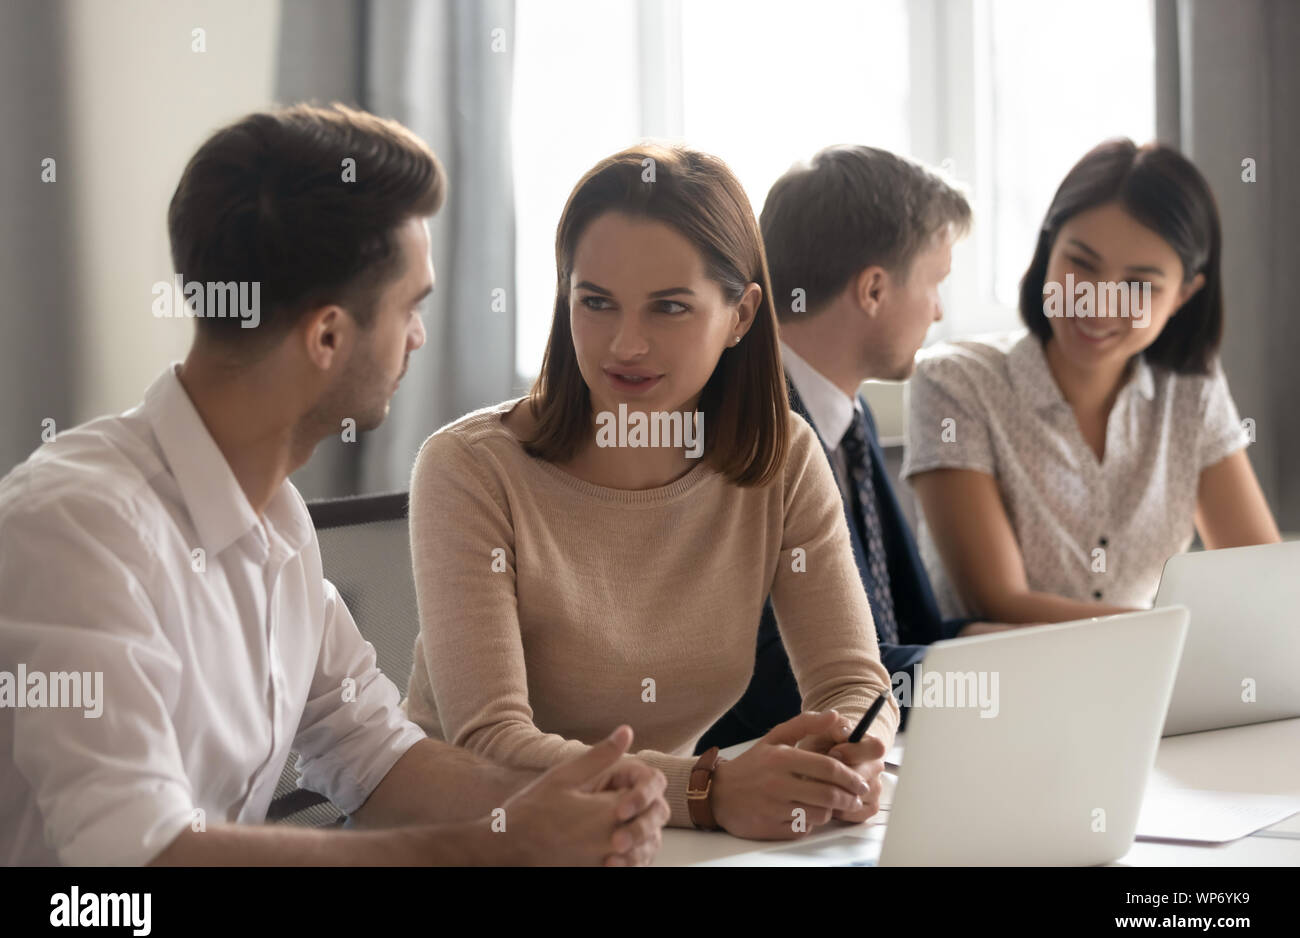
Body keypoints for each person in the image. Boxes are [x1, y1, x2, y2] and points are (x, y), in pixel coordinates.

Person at [0, 103, 667, 867]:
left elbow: (377, 755)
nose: (419, 336)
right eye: (411, 308)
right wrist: (494, 850)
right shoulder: (77, 529)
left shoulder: (276, 515)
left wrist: (568, 805)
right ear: (326, 337)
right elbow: (138, 863)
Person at [403, 143, 898, 840]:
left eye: (668, 308)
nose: (624, 345)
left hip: (653, 841)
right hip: (474, 838)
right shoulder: (470, 469)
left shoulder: (783, 458)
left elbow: (855, 680)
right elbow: (490, 739)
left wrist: (843, 753)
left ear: (742, 316)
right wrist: (705, 789)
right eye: (596, 303)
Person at [698, 145, 1009, 750]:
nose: (940, 311)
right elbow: (786, 677)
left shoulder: (847, 415)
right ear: (872, 290)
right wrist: (1007, 678)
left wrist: (1029, 652)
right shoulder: (748, 431)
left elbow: (906, 629)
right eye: (935, 283)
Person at [903, 139, 1280, 623]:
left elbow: (1260, 580)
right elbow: (997, 602)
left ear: (1184, 295)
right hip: (1006, 685)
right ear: (1047, 250)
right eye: (1080, 264)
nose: (1098, 303)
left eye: (1138, 285)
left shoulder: (1192, 393)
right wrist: (1171, 633)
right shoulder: (956, 381)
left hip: (1150, 678)